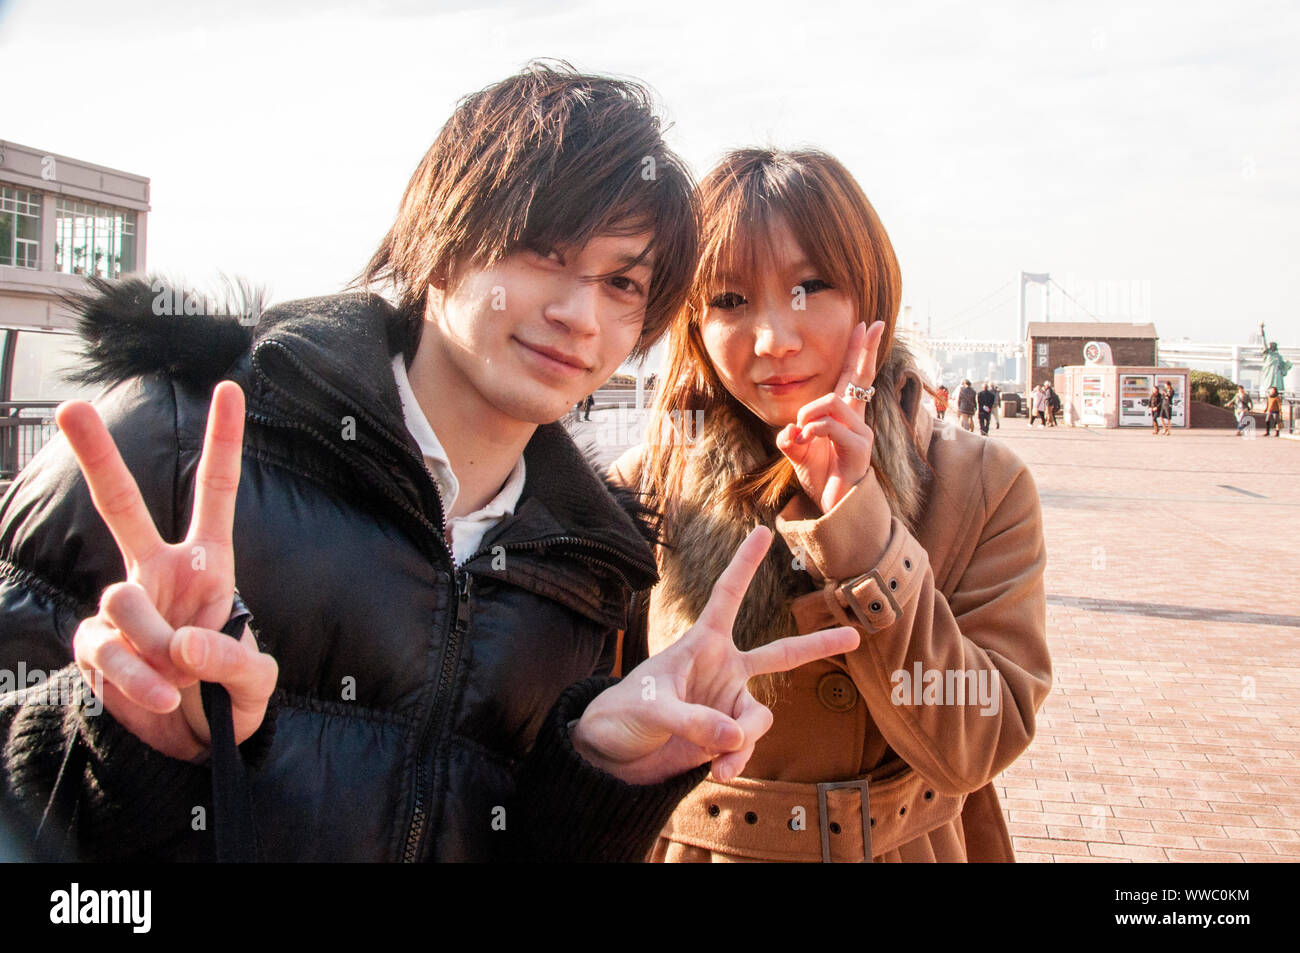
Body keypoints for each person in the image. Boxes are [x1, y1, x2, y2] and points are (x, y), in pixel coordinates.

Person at [0, 64, 857, 863]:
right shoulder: (180, 440)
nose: (577, 314)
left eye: (622, 285)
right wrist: (124, 735)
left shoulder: (589, 571)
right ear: (443, 247)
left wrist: (604, 772)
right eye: (545, 254)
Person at [610, 149, 1050, 862]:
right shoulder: (649, 484)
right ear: (692, 323)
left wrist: (859, 526)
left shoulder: (980, 485)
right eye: (728, 300)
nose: (775, 339)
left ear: (871, 296)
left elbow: (980, 742)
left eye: (810, 286)